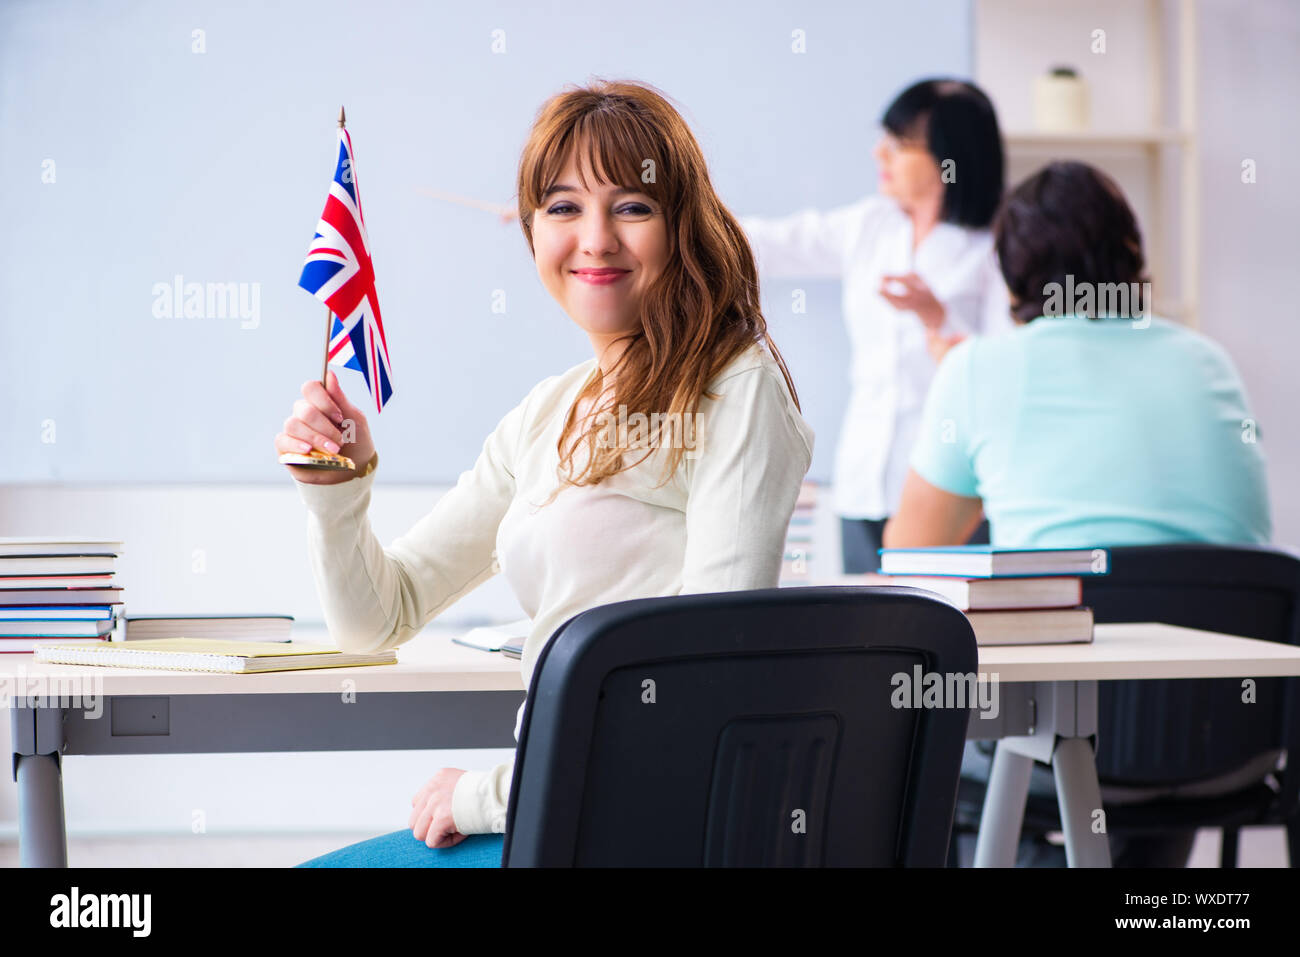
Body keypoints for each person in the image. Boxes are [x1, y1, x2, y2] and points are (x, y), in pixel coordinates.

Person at [276, 79, 815, 867]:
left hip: (633, 827)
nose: (595, 239)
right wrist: (338, 491)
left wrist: (483, 795)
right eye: (563, 208)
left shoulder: (738, 383)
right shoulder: (547, 413)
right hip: (551, 810)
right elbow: (376, 619)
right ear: (531, 232)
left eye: (632, 206)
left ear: (682, 225)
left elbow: (708, 675)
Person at [885, 160, 1272, 866]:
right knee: (1153, 702)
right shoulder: (1211, 363)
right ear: (1133, 259)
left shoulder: (978, 369)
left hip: (1068, 748)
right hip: (1233, 743)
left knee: (947, 733)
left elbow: (910, 559)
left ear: (1011, 278)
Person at [738, 78, 1011, 572]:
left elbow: (1004, 370)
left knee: (955, 630)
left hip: (948, 487)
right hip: (864, 476)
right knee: (871, 633)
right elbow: (777, 243)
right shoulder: (872, 225)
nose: (879, 154)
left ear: (951, 157)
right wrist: (680, 221)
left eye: (900, 144)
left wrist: (938, 317)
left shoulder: (996, 247)